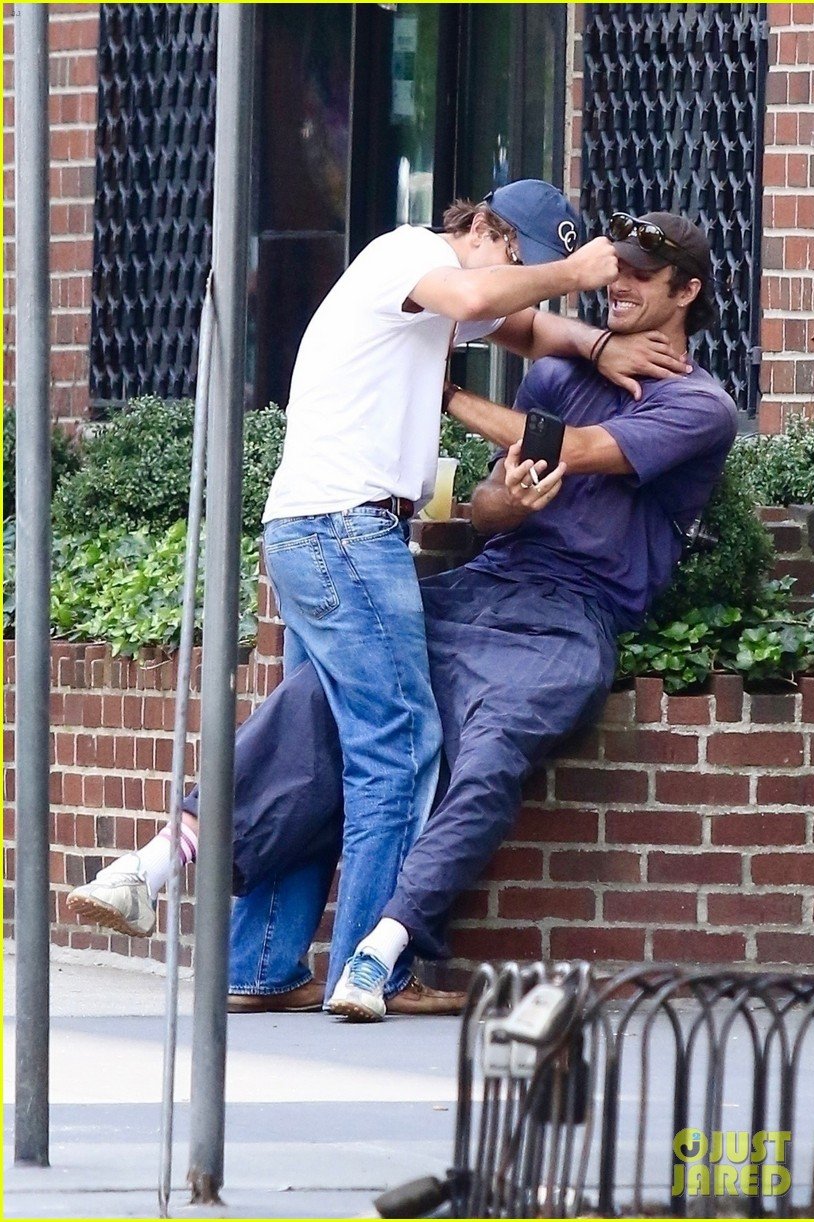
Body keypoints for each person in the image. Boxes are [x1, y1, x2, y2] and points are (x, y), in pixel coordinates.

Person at [69, 209, 736, 1021]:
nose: (618, 282)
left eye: (639, 274)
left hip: (570, 619)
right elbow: (492, 503)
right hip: (482, 583)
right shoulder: (513, 339)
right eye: (614, 267)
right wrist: (503, 500)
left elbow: (582, 449)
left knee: (483, 753)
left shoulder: (701, 406)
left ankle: (379, 947)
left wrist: (450, 394)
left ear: (688, 291)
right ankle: (165, 863)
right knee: (330, 710)